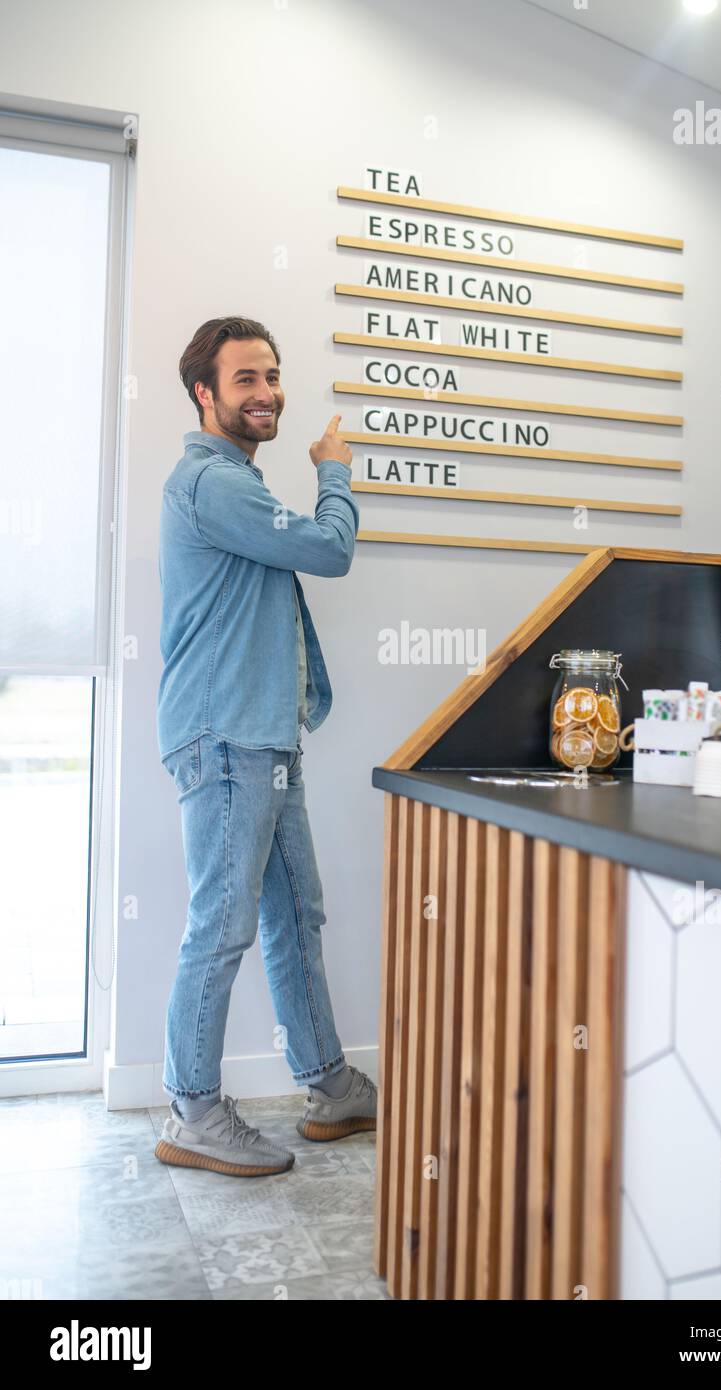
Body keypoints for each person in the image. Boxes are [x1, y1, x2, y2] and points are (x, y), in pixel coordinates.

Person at [153, 316, 375, 1178]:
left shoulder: (237, 485)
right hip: (227, 739)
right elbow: (330, 549)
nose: (267, 392)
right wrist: (334, 471)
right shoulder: (214, 483)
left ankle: (330, 1086)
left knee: (295, 915)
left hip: (263, 739)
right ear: (203, 393)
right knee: (221, 927)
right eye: (245, 378)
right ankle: (193, 1112)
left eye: (273, 375)